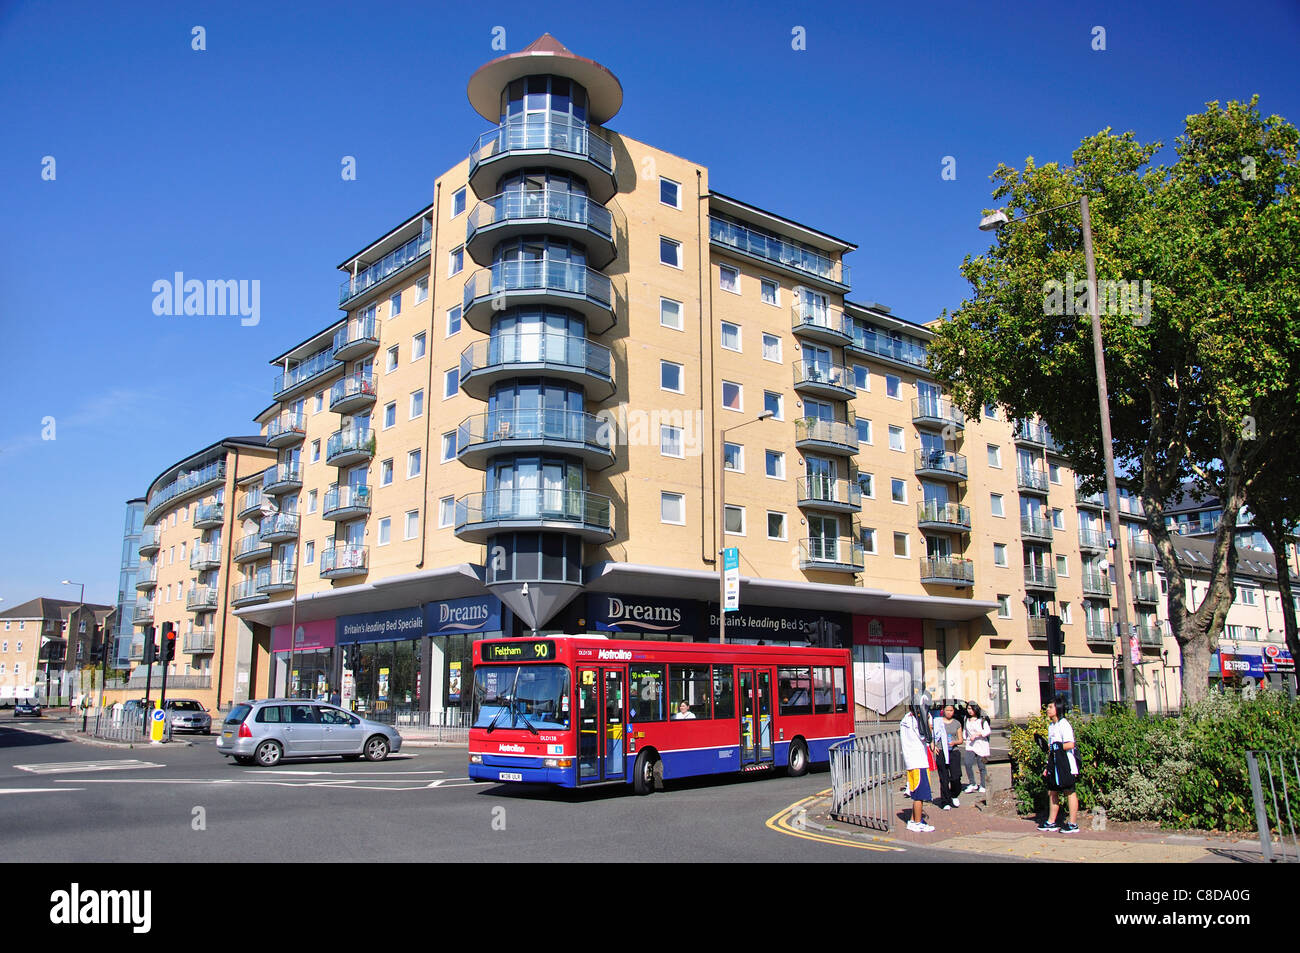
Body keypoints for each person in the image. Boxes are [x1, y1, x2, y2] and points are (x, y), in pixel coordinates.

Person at [1038, 697, 1081, 834]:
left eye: (1051, 707)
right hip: (1054, 763)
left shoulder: (1064, 724)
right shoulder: (1052, 726)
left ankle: (1073, 823)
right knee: (1052, 791)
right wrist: (1048, 766)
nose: (1048, 710)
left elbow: (1070, 744)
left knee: (1069, 791)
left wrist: (1058, 746)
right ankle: (1051, 822)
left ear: (1058, 708)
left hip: (1066, 763)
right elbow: (1051, 749)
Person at [899, 693, 935, 832]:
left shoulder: (906, 719)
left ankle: (914, 820)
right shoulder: (916, 721)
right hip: (918, 761)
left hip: (911, 761)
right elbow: (925, 735)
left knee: (915, 794)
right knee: (920, 794)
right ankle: (918, 822)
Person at [932, 703, 964, 809]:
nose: (949, 712)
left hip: (953, 751)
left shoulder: (957, 723)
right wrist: (934, 746)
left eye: (951, 710)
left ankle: (954, 794)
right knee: (944, 778)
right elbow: (932, 736)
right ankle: (945, 801)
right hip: (941, 751)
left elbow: (960, 740)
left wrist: (954, 743)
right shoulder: (938, 722)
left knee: (956, 776)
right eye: (947, 710)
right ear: (943, 711)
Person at [963, 702, 991, 793]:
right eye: (968, 709)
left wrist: (977, 734)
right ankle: (972, 783)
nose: (970, 711)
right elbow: (965, 731)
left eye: (971, 709)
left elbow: (987, 731)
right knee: (967, 763)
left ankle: (983, 785)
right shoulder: (966, 719)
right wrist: (964, 737)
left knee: (981, 766)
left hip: (981, 745)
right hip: (970, 745)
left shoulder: (982, 720)